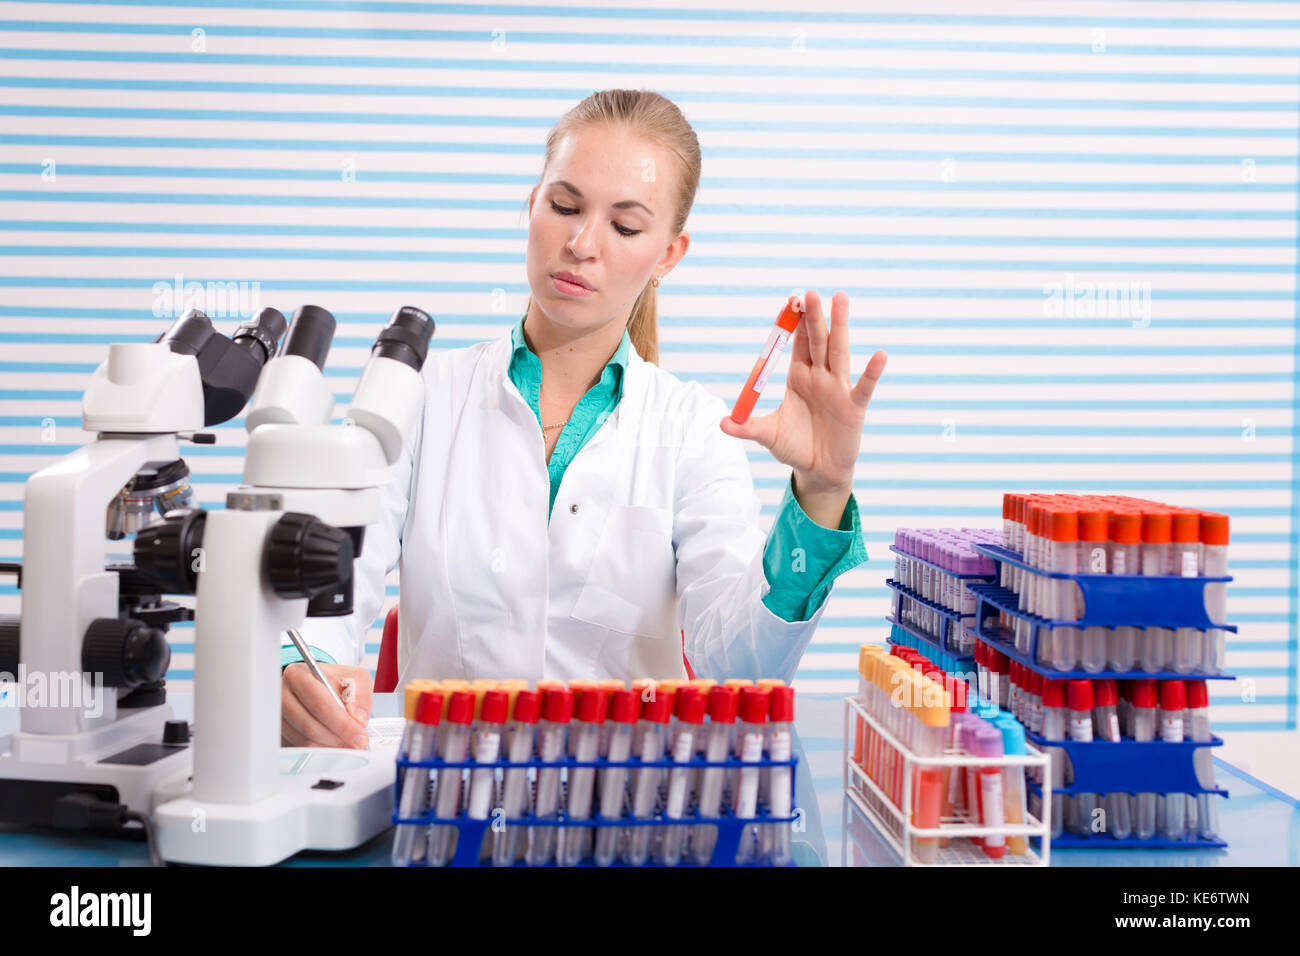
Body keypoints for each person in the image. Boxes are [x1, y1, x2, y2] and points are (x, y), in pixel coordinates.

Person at [280, 89, 888, 749]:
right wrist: (297, 667)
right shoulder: (422, 397)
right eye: (564, 206)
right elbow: (330, 591)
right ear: (533, 202)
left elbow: (736, 667)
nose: (580, 242)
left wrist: (822, 493)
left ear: (668, 256)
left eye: (625, 227)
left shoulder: (691, 429)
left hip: (623, 819)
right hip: (448, 805)